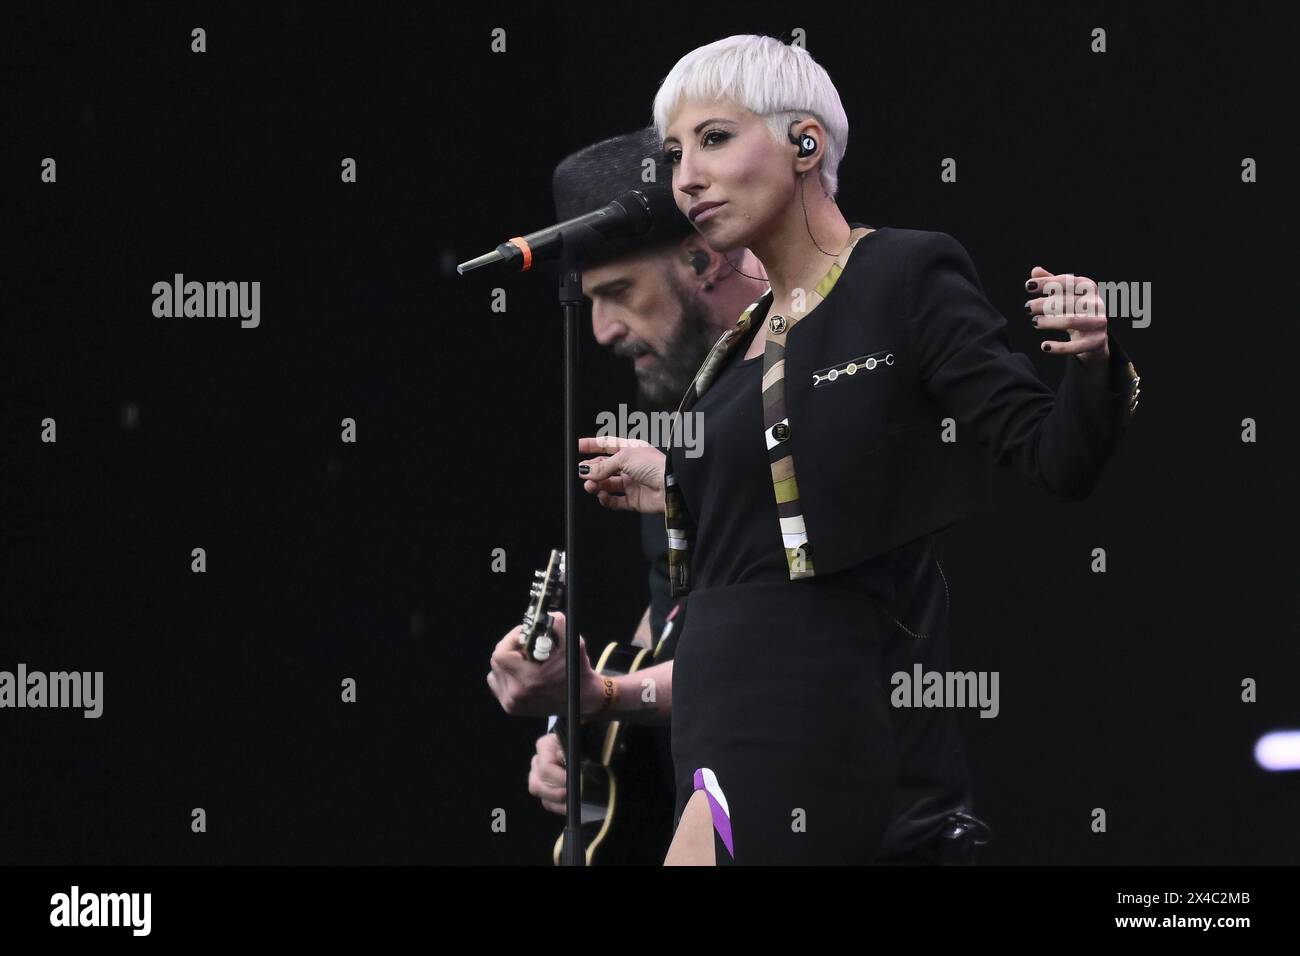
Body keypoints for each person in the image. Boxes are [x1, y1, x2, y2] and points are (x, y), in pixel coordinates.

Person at [575, 35, 1141, 865]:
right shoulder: (732, 350)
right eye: (672, 153)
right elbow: (780, 510)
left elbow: (1054, 455)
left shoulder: (902, 275)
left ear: (806, 143)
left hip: (811, 708)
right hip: (718, 712)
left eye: (714, 138)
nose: (685, 176)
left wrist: (1095, 361)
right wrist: (677, 483)